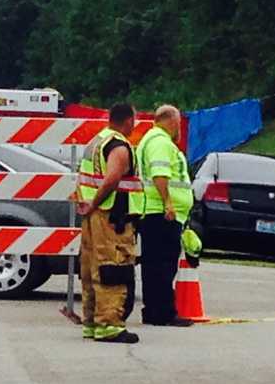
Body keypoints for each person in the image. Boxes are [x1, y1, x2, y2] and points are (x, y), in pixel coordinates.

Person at [76, 103, 145, 344]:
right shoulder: (118, 146)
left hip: (93, 217)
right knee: (113, 268)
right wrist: (95, 203)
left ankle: (92, 323)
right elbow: (112, 178)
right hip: (112, 218)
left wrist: (88, 205)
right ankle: (109, 325)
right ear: (128, 121)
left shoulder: (97, 142)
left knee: (91, 269)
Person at [135, 104, 195, 327]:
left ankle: (153, 311)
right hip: (162, 213)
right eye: (178, 123)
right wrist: (168, 203)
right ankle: (163, 312)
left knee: (154, 264)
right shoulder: (160, 142)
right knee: (163, 265)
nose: (179, 128)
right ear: (172, 121)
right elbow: (160, 174)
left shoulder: (151, 140)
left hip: (155, 212)